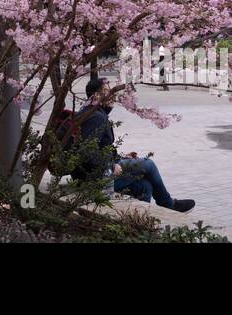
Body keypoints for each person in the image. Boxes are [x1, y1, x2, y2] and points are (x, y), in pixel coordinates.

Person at [75, 77, 195, 213]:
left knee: (145, 186)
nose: (113, 95)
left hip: (99, 172)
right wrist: (111, 165)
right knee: (148, 164)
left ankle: (140, 218)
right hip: (94, 178)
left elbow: (100, 146)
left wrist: (119, 157)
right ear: (96, 95)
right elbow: (86, 151)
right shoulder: (96, 117)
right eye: (107, 91)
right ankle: (169, 204)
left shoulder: (94, 113)